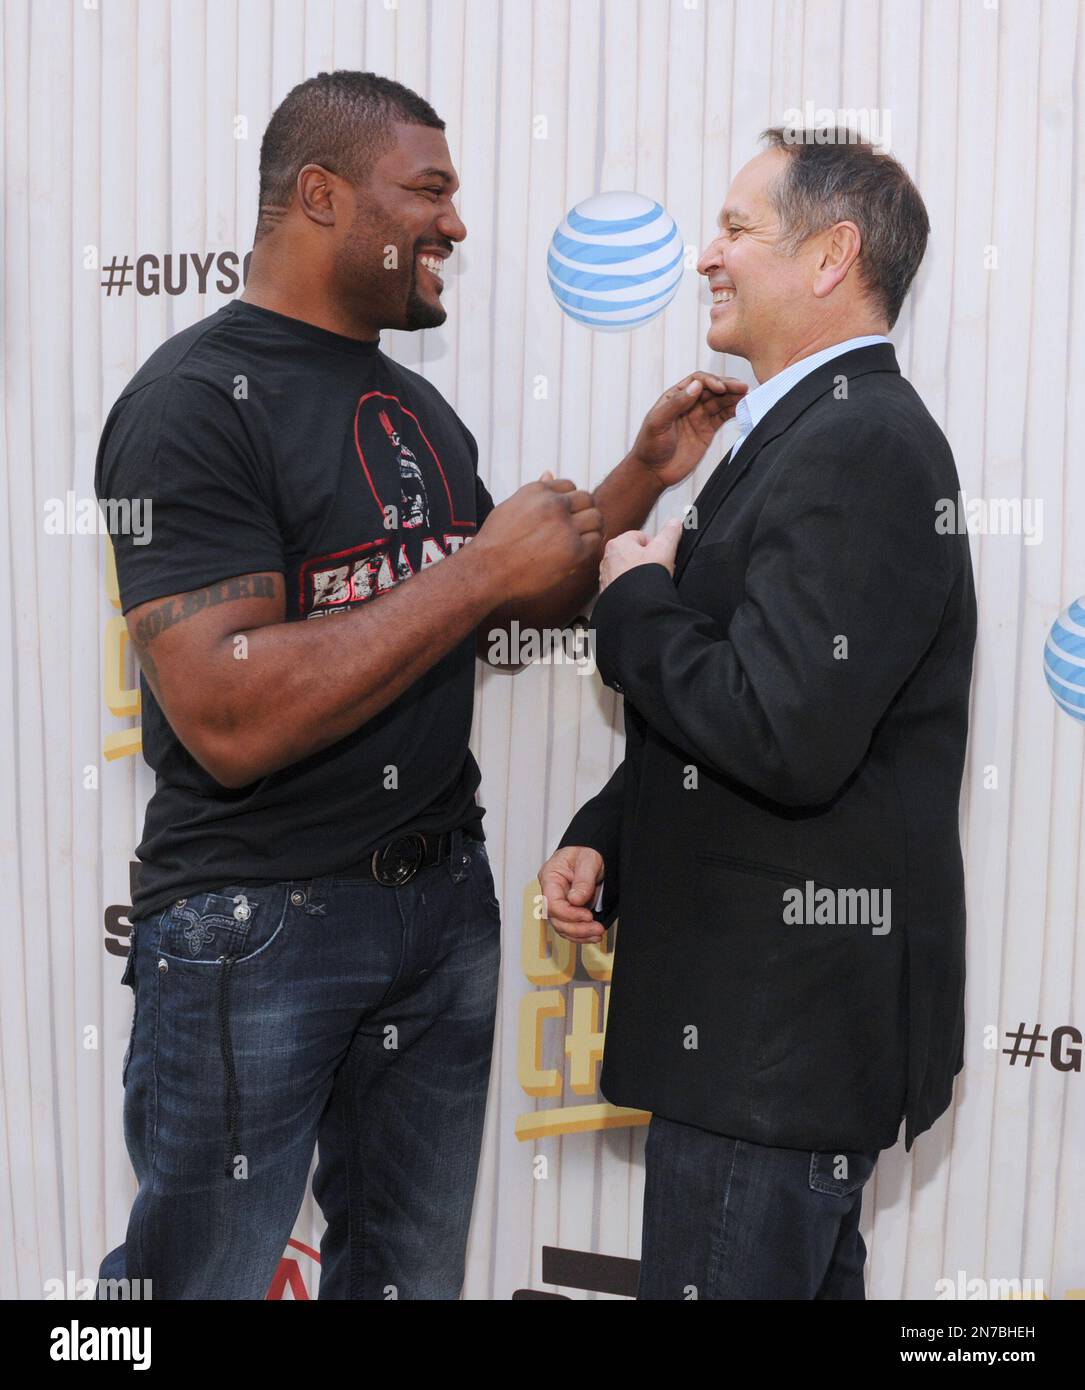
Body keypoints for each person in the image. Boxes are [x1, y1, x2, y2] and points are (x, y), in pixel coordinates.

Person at [95, 69, 745, 1300]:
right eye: (429, 191)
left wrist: (640, 475)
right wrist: (478, 570)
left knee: (404, 1276)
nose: (454, 223)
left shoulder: (415, 409)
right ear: (324, 196)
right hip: (260, 925)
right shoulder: (190, 405)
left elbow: (509, 590)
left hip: (439, 909)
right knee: (188, 1285)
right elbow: (227, 715)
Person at [540, 127, 977, 1300]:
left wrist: (630, 595)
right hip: (760, 1051)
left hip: (769, 1054)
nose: (705, 256)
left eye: (737, 227)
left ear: (830, 255)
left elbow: (779, 731)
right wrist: (610, 832)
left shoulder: (858, 446)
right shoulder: (794, 434)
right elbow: (754, 697)